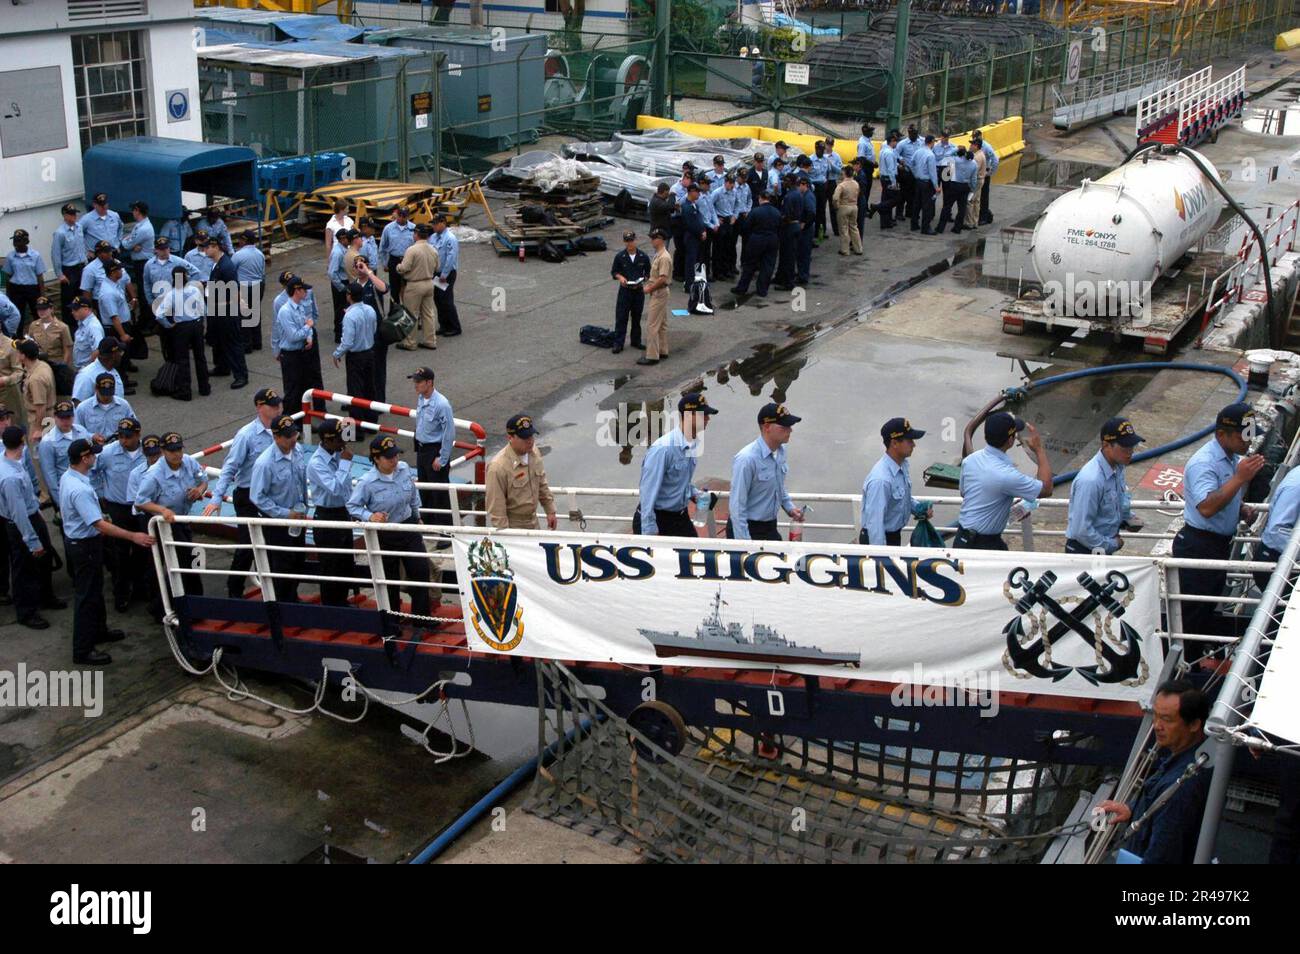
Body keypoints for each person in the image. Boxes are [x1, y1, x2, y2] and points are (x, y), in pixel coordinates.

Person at [1172, 402, 1264, 648]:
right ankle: (1186, 662)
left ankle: (1197, 657)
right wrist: (1240, 478)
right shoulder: (1204, 462)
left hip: (1218, 543)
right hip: (1198, 545)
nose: (1249, 443)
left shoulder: (1231, 458)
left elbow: (1223, 494)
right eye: (1243, 437)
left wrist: (1240, 508)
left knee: (1208, 605)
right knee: (1193, 611)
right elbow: (1207, 507)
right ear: (1222, 434)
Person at [60, 437, 154, 665]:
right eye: (92, 454)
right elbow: (98, 524)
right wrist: (133, 536)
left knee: (96, 591)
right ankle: (83, 649)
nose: (95, 457)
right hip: (84, 546)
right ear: (84, 458)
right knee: (87, 596)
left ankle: (99, 630)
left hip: (84, 543)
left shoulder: (69, 476)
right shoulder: (80, 488)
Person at [1097, 680, 1211, 863]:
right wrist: (1132, 809)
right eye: (1156, 716)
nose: (1157, 725)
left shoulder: (1179, 789)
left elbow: (1162, 855)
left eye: (1166, 719)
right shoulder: (1191, 756)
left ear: (1194, 724)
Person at [204, 388, 281, 598]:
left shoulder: (282, 430)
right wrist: (217, 497)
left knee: (276, 542)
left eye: (278, 405)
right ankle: (235, 588)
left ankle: (276, 592)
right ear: (259, 407)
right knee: (249, 544)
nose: (277, 409)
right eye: (272, 405)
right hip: (248, 496)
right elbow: (230, 467)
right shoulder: (246, 435)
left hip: (273, 494)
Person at [346, 434, 432, 617]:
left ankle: (422, 617)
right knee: (390, 579)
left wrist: (418, 516)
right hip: (385, 534)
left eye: (396, 455)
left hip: (408, 527)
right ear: (376, 459)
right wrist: (370, 516)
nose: (394, 460)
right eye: (389, 457)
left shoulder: (404, 469)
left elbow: (413, 494)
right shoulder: (367, 482)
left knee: (421, 570)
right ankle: (392, 619)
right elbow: (352, 506)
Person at [955, 411, 1053, 550]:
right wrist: (1039, 450)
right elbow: (1047, 488)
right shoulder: (1007, 475)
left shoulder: (970, 460)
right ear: (1010, 440)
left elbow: (966, 494)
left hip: (961, 540)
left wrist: (1004, 506)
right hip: (984, 546)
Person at [134, 431, 207, 605]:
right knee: (159, 566)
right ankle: (160, 606)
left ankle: (193, 601)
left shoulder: (188, 462)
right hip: (159, 523)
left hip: (181, 520)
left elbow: (202, 479)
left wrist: (200, 490)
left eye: (179, 449)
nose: (177, 454)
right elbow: (140, 501)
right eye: (172, 451)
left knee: (186, 561)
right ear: (163, 451)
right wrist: (162, 510)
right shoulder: (154, 475)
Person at [1, 425, 62, 630]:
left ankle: (45, 596)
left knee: (44, 560)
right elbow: (17, 512)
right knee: (24, 568)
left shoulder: (10, 459)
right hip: (21, 523)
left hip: (32, 514)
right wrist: (31, 540)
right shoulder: (10, 477)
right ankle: (26, 612)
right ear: (21, 441)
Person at [635, 392, 717, 536]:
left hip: (678, 517)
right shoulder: (663, 449)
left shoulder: (692, 444)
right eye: (703, 415)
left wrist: (697, 496)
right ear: (689, 415)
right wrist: (649, 533)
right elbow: (647, 492)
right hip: (657, 518)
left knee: (694, 555)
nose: (708, 418)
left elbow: (679, 481)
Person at [250, 414, 309, 603]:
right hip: (277, 523)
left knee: (298, 560)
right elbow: (257, 497)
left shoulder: (298, 451)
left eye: (294, 434)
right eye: (288, 436)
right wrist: (285, 514)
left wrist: (303, 510)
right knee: (282, 565)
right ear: (276, 437)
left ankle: (292, 597)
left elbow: (301, 482)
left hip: (298, 518)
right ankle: (282, 603)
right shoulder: (265, 463)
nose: (293, 439)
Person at [1066, 417, 1143, 555]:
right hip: (1085, 551)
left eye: (1132, 446)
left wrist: (1127, 519)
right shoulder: (1091, 480)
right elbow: (1081, 530)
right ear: (1106, 445)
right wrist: (1113, 544)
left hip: (1100, 547)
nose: (1130, 452)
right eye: (1125, 447)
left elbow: (1115, 503)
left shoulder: (1118, 468)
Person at [728, 403, 805, 541]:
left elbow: (778, 485)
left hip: (770, 527)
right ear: (767, 427)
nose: (790, 430)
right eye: (784, 426)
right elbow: (737, 506)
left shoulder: (781, 451)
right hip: (749, 528)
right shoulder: (747, 459)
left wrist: (790, 508)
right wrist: (744, 545)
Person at [93, 416, 146, 611]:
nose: (124, 440)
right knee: (119, 554)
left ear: (138, 435)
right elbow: (92, 472)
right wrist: (100, 495)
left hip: (141, 508)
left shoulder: (147, 452)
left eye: (128, 437)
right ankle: (121, 593)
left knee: (143, 550)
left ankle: (141, 588)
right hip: (118, 507)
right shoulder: (108, 453)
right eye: (121, 436)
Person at [305, 418, 355, 607]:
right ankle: (330, 606)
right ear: (327, 440)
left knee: (345, 562)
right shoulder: (316, 463)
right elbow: (334, 487)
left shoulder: (338, 454)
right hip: (326, 516)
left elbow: (346, 489)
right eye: (339, 440)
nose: (343, 444)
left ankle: (341, 601)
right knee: (330, 565)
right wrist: (344, 464)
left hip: (342, 512)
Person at [861, 418, 928, 545]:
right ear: (894, 443)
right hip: (880, 539)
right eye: (909, 441)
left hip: (893, 535)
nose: (914, 444)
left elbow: (899, 498)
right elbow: (875, 525)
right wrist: (881, 558)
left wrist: (918, 508)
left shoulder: (902, 465)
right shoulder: (881, 480)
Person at [484, 414, 557, 530]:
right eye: (525, 438)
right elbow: (496, 508)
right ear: (510, 438)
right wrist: (506, 537)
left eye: (531, 436)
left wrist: (550, 511)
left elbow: (542, 483)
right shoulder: (498, 467)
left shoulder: (534, 453)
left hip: (533, 521)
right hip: (513, 526)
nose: (530, 441)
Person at [152, 264, 208, 400]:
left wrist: (169, 325)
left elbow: (159, 315)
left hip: (181, 328)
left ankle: (185, 391)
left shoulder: (171, 294)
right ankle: (204, 387)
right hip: (196, 324)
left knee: (182, 359)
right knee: (200, 357)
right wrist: (202, 324)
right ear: (186, 277)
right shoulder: (194, 290)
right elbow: (204, 310)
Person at [410, 366, 455, 529]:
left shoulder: (442, 404)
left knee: (439, 494)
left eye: (419, 382)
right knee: (425, 490)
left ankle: (446, 532)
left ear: (429, 382)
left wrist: (442, 458)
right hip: (422, 450)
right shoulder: (421, 398)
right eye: (415, 381)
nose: (415, 385)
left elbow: (449, 434)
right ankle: (428, 524)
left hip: (434, 451)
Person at [272, 275, 321, 412]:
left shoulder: (299, 306)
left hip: (300, 353)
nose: (306, 292)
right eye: (303, 290)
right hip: (290, 355)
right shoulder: (285, 311)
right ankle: (293, 419)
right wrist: (307, 328)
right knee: (293, 390)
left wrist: (309, 336)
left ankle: (304, 420)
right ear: (297, 291)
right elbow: (293, 336)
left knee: (303, 387)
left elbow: (307, 322)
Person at [205, 234, 247, 389]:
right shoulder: (216, 264)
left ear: (216, 247)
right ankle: (222, 367)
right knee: (219, 341)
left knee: (232, 343)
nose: (205, 250)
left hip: (227, 311)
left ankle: (241, 375)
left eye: (207, 247)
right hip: (217, 310)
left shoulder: (226, 266)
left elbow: (235, 292)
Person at [334, 281, 377, 422]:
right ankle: (371, 422)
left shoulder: (349, 316)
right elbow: (374, 329)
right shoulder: (370, 310)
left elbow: (347, 342)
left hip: (356, 356)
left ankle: (355, 430)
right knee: (370, 387)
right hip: (370, 353)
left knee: (355, 392)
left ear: (349, 296)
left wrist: (337, 354)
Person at [37, 400, 90, 509]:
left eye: (68, 417)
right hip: (66, 492)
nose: (66, 421)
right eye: (62, 418)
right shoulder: (48, 442)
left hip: (87, 486)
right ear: (55, 417)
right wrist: (61, 503)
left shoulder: (82, 432)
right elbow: (49, 476)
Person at [397, 223, 440, 351]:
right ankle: (430, 340)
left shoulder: (412, 250)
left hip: (414, 284)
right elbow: (437, 267)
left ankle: (410, 342)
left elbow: (404, 268)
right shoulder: (433, 249)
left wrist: (398, 266)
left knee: (411, 314)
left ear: (416, 234)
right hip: (429, 283)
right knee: (428, 313)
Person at [732, 190, 781, 298]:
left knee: (749, 265)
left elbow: (745, 227)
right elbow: (779, 227)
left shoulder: (755, 211)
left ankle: (742, 288)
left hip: (757, 240)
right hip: (772, 240)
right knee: (768, 266)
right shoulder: (777, 212)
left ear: (760, 198)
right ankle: (762, 290)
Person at [610, 230, 650, 354]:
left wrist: (644, 279)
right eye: (627, 241)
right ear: (624, 242)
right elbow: (614, 272)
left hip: (638, 291)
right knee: (621, 317)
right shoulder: (620, 257)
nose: (630, 243)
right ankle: (618, 343)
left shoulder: (643, 256)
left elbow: (648, 272)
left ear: (635, 240)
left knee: (636, 317)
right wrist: (620, 277)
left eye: (631, 240)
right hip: (625, 291)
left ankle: (636, 341)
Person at [639, 229, 672, 367]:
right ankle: (663, 350)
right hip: (660, 292)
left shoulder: (664, 257)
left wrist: (649, 289)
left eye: (653, 238)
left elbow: (663, 279)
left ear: (660, 239)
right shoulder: (659, 254)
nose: (651, 240)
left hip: (658, 293)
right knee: (662, 323)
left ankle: (652, 356)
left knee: (652, 325)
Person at [52, 204, 87, 330]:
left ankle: (82, 322)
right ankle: (70, 327)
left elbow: (81, 245)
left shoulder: (79, 227)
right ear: (65, 216)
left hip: (81, 266)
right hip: (69, 269)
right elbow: (55, 254)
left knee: (81, 297)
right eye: (71, 214)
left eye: (75, 214)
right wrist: (60, 274)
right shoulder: (60, 233)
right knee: (69, 300)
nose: (74, 216)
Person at [3, 228, 46, 330]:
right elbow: (8, 276)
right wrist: (8, 294)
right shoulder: (10, 257)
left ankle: (39, 334)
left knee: (37, 313)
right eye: (15, 240)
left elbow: (40, 276)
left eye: (19, 240)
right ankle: (18, 338)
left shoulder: (35, 255)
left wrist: (43, 295)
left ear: (26, 241)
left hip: (32, 288)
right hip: (16, 289)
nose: (16, 243)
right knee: (17, 314)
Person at [231, 230, 266, 352]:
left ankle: (247, 345)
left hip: (244, 287)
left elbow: (231, 271)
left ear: (244, 240)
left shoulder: (238, 255)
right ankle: (257, 342)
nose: (238, 241)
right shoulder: (259, 254)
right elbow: (262, 272)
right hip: (258, 285)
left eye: (240, 239)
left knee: (244, 316)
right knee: (255, 313)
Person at [74, 373, 134, 443]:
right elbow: (76, 431)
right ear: (96, 388)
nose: (106, 397)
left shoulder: (124, 405)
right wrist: (91, 436)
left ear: (114, 389)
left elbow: (134, 426)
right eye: (103, 394)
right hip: (93, 448)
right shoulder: (83, 408)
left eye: (109, 393)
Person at [122, 201, 154, 326]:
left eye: (134, 210)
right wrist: (130, 243)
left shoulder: (144, 228)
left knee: (144, 291)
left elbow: (127, 243)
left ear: (137, 210)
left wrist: (128, 243)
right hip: (139, 262)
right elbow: (130, 241)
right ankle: (146, 318)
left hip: (143, 262)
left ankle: (147, 320)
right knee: (142, 291)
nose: (132, 213)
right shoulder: (140, 225)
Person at [430, 215, 462, 337]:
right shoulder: (433, 237)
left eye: (435, 224)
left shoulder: (450, 238)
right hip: (436, 273)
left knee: (446, 300)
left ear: (443, 223)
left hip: (446, 274)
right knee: (438, 299)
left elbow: (451, 257)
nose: (433, 226)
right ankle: (443, 325)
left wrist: (444, 274)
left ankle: (455, 326)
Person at [16, 339, 55, 440]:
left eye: (18, 352)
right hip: (45, 417)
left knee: (36, 452)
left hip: (40, 419)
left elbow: (41, 406)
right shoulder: (42, 365)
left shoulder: (36, 379)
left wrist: (38, 429)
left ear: (23, 356)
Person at [27, 297, 72, 381]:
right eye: (39, 309)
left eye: (44, 309)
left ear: (51, 309)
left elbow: (67, 349)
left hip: (55, 364)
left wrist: (63, 367)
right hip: (38, 364)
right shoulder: (33, 326)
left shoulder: (62, 327)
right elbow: (30, 344)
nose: (41, 312)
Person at [379, 205, 415, 306]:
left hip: (408, 261)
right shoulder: (388, 228)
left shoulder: (413, 228)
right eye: (400, 215)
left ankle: (408, 313)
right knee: (394, 290)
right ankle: (394, 314)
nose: (402, 218)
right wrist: (385, 263)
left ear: (408, 216)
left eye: (404, 216)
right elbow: (382, 247)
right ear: (397, 214)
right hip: (394, 260)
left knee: (409, 289)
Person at [937, 147, 978, 235]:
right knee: (961, 209)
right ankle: (957, 228)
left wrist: (956, 149)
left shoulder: (955, 160)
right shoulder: (974, 164)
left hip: (954, 185)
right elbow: (974, 179)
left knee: (947, 207)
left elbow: (946, 156)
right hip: (965, 187)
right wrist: (972, 189)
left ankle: (940, 228)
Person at [71, 336, 125, 402]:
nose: (121, 356)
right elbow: (78, 404)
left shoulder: (112, 370)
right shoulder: (86, 376)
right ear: (114, 355)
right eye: (120, 353)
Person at [774, 175, 802, 290]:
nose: (783, 183)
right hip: (795, 226)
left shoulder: (790, 196)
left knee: (788, 256)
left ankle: (788, 282)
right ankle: (780, 277)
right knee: (785, 255)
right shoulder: (797, 194)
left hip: (789, 227)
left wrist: (779, 223)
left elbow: (787, 215)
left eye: (785, 181)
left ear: (790, 182)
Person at [871, 131, 902, 230]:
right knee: (895, 199)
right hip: (889, 179)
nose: (896, 144)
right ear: (892, 141)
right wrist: (894, 183)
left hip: (884, 178)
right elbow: (891, 169)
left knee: (886, 199)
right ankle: (877, 207)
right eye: (896, 142)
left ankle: (885, 223)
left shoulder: (883, 151)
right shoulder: (889, 153)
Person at [679, 183, 706, 293]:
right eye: (697, 192)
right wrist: (701, 232)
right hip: (691, 237)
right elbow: (690, 224)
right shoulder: (687, 207)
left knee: (695, 261)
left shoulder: (694, 205)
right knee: (690, 262)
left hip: (697, 237)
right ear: (691, 192)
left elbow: (700, 219)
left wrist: (703, 229)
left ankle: (693, 282)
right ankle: (688, 285)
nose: (699, 194)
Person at [911, 135, 939, 234]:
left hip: (918, 181)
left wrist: (915, 174)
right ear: (931, 142)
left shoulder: (918, 151)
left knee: (916, 204)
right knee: (927, 206)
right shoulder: (930, 155)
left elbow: (911, 163)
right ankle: (925, 228)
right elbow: (932, 173)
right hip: (927, 183)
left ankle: (914, 224)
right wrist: (936, 186)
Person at [833, 166, 862, 256]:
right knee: (854, 227)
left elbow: (835, 198)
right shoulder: (856, 184)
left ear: (844, 174)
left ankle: (845, 250)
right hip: (854, 206)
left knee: (843, 229)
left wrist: (836, 206)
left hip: (844, 207)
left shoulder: (841, 185)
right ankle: (858, 249)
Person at [70, 295, 103, 372]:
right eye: (72, 309)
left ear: (86, 309)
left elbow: (98, 350)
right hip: (81, 368)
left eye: (76, 309)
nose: (73, 312)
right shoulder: (83, 323)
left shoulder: (93, 327)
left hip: (88, 369)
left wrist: (88, 369)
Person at [972, 130, 999, 225]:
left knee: (984, 196)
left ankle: (983, 217)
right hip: (975, 173)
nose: (974, 139)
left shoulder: (986, 147)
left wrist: (990, 172)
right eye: (973, 137)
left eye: (976, 137)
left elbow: (995, 159)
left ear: (980, 136)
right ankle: (976, 215)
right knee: (975, 195)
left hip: (984, 172)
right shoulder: (973, 145)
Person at [896, 126, 922, 222]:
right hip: (906, 172)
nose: (915, 136)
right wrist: (899, 162)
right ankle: (899, 213)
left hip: (916, 172)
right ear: (909, 133)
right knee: (902, 194)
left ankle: (909, 212)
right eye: (913, 134)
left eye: (916, 134)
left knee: (914, 194)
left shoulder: (920, 143)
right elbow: (895, 155)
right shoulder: (902, 144)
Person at [795, 176, 816, 286]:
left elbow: (811, 213)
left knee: (804, 254)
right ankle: (801, 274)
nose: (798, 188)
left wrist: (804, 224)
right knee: (802, 254)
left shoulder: (808, 197)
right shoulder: (806, 195)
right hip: (806, 229)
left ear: (804, 185)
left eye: (799, 185)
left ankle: (803, 276)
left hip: (806, 231)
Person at [808, 140, 830, 241]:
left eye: (823, 150)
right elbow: (808, 175)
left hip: (823, 187)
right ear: (816, 149)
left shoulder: (825, 159)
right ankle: (814, 232)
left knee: (822, 209)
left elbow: (827, 172)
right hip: (814, 186)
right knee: (814, 209)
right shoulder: (810, 160)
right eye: (820, 149)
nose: (822, 151)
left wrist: (826, 182)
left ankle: (822, 231)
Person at [966, 137, 988, 229]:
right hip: (980, 180)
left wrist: (971, 184)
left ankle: (969, 222)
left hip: (976, 181)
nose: (970, 146)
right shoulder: (981, 154)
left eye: (972, 144)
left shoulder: (977, 157)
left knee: (970, 201)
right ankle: (975, 221)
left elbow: (974, 172)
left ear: (976, 146)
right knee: (976, 201)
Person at [324, 198, 354, 265]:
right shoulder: (330, 224)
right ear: (341, 210)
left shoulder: (349, 220)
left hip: (349, 253)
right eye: (347, 209)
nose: (348, 211)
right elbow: (328, 244)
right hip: (338, 254)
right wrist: (329, 261)